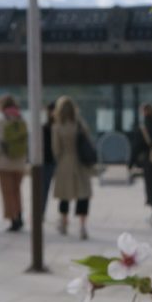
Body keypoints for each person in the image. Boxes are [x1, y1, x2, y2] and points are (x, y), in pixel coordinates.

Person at [51, 96, 95, 240]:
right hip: (81, 164)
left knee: (64, 195)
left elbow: (56, 149)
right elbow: (88, 142)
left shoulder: (57, 127)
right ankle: (82, 227)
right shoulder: (80, 125)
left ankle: (64, 223)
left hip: (65, 163)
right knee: (83, 196)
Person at [0, 93, 28, 232]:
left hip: (5, 163)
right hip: (19, 162)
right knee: (17, 191)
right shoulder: (21, 119)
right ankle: (20, 215)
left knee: (8, 192)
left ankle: (13, 220)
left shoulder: (3, 120)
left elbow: (1, 141)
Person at [41, 101, 56, 221]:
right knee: (44, 189)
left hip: (58, 161)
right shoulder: (45, 128)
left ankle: (63, 216)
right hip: (48, 162)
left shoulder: (62, 127)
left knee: (65, 191)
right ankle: (40, 213)